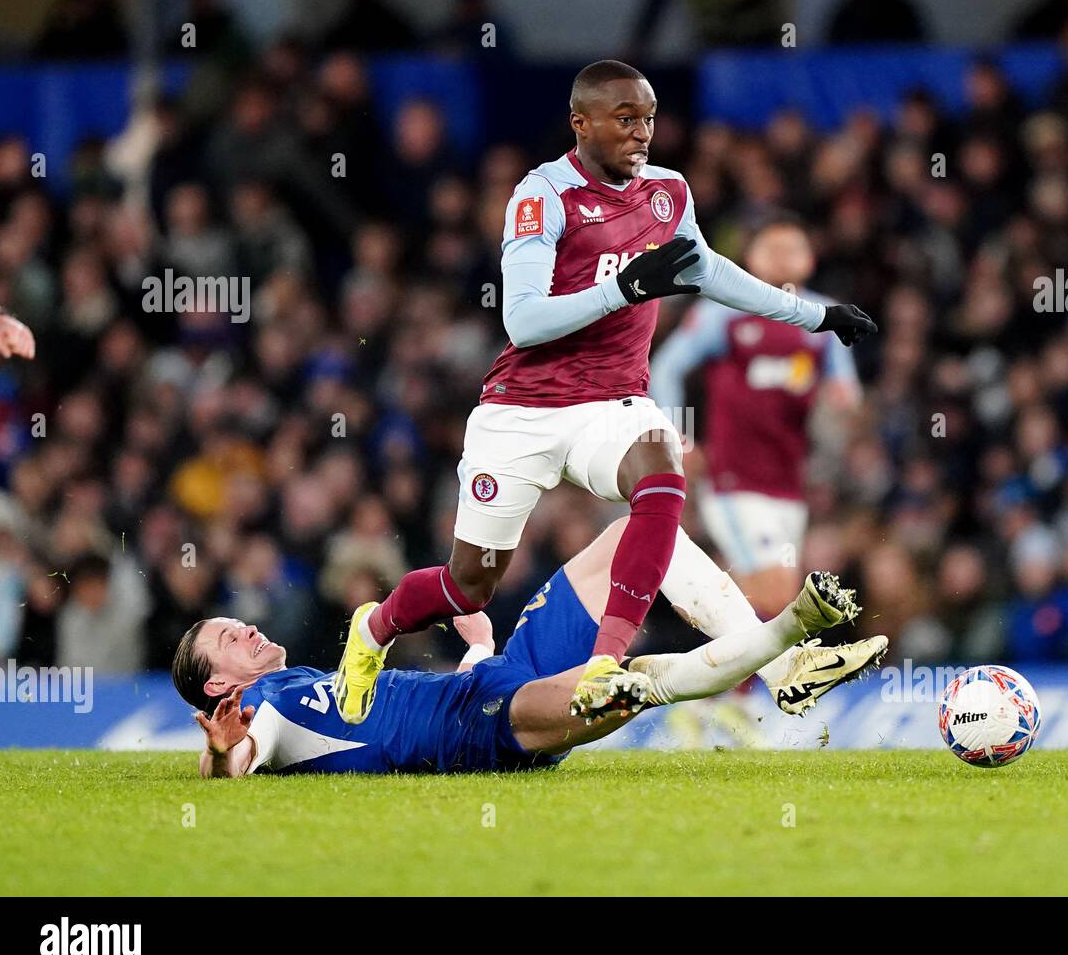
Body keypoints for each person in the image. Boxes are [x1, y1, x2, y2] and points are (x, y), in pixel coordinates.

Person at [340, 59, 878, 725]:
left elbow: (708, 273)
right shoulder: (542, 196)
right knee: (469, 584)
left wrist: (816, 317)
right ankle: (374, 629)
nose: (641, 133)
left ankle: (606, 664)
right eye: (625, 119)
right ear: (581, 123)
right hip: (522, 411)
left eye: (649, 118)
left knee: (661, 475)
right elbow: (524, 319)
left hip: (612, 404)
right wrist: (624, 289)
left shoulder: (667, 193)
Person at [176, 518, 889, 777]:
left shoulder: (303, 679)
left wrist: (478, 648)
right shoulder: (262, 708)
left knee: (636, 537)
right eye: (223, 640)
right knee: (626, 677)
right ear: (218, 689)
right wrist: (218, 751)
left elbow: (389, 708)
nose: (240, 628)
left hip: (494, 676)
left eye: (229, 623)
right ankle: (787, 632)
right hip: (482, 730)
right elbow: (236, 764)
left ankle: (783, 670)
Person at [651, 212, 860, 639]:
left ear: (811, 258)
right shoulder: (725, 311)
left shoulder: (822, 320)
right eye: (773, 249)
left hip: (789, 484)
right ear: (752, 257)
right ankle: (754, 695)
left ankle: (729, 699)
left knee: (753, 599)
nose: (784, 259)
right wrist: (680, 438)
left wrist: (844, 404)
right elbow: (666, 369)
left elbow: (848, 393)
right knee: (780, 593)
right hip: (735, 481)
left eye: (793, 249)